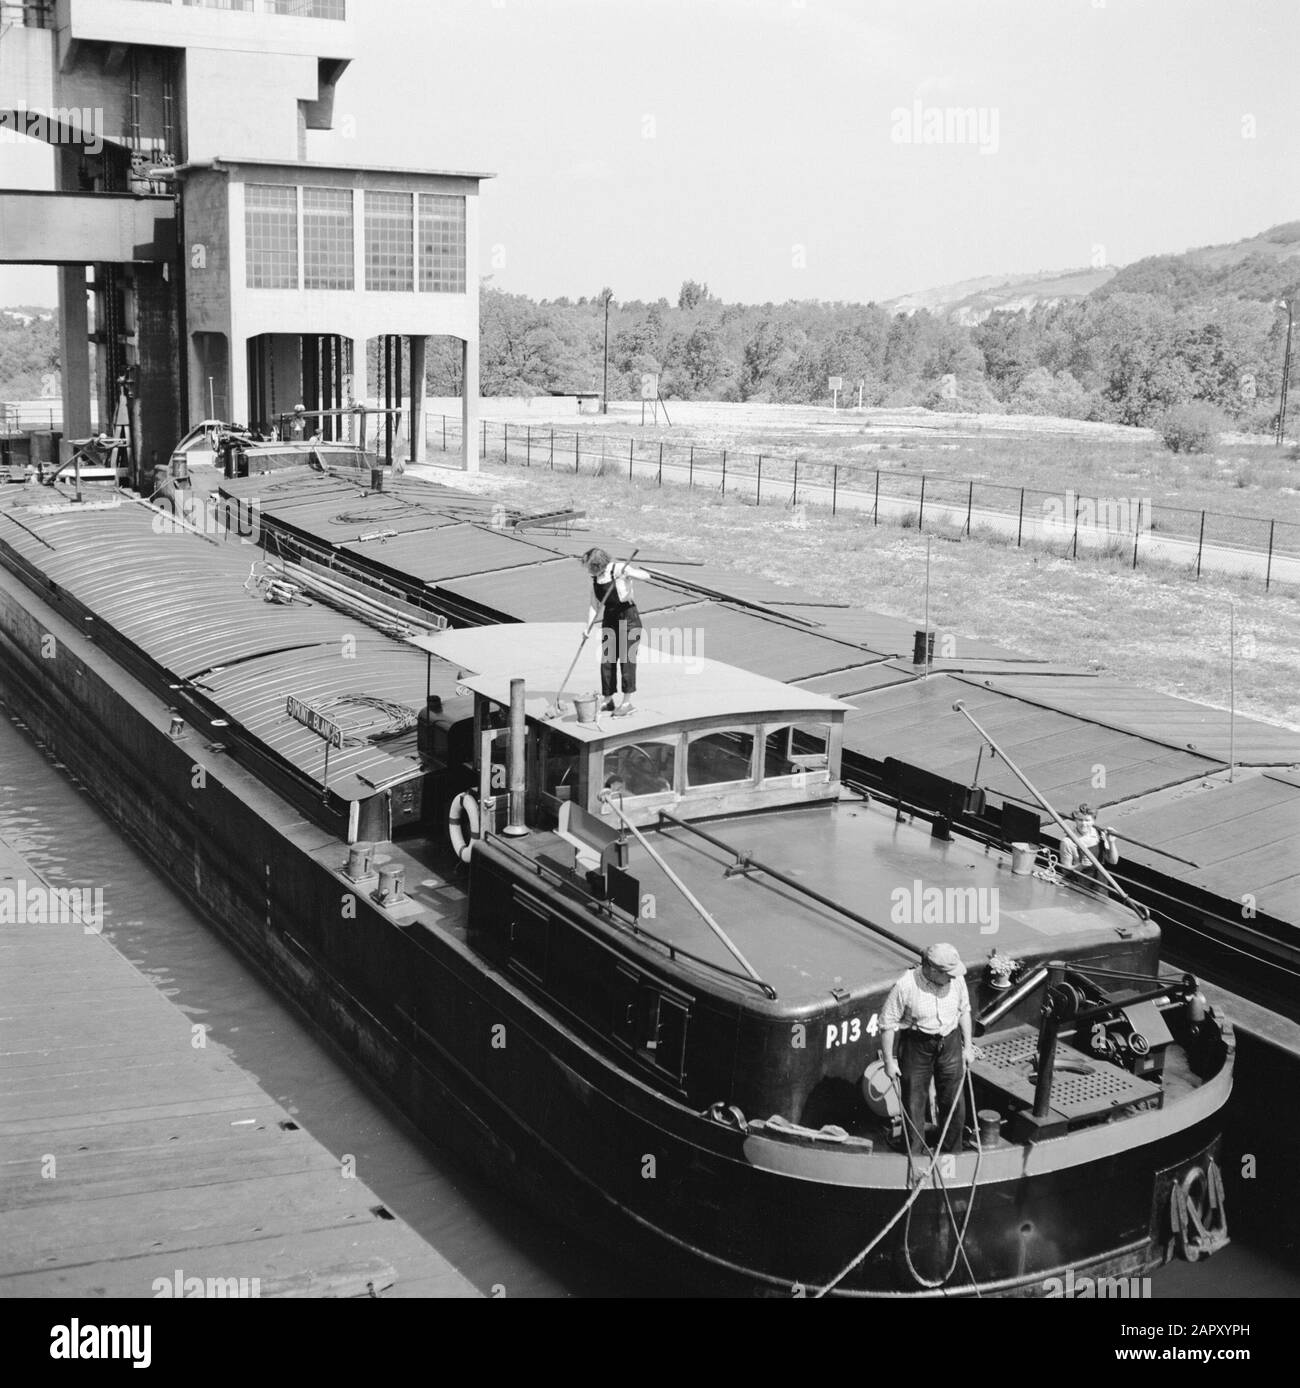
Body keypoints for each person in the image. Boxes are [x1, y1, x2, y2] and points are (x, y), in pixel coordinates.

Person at [879, 942, 976, 1154]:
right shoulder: (905, 986)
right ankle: (913, 1153)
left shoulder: (957, 980)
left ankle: (952, 1151)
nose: (953, 978)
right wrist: (889, 1061)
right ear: (932, 969)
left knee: (954, 1101)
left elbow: (964, 1011)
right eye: (948, 974)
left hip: (949, 1043)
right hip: (917, 1045)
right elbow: (887, 1024)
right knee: (914, 1100)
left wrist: (968, 1047)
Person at [581, 547, 651, 717]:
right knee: (607, 660)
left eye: (589, 566)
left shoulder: (618, 568)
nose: (587, 569)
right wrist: (587, 627)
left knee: (626, 660)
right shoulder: (596, 580)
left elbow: (646, 576)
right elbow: (594, 605)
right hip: (609, 618)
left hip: (628, 617)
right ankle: (608, 699)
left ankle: (627, 703)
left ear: (598, 564)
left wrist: (628, 573)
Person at [1059, 803, 1119, 883]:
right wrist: (1081, 866)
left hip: (1100, 883)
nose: (1084, 824)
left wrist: (1111, 842)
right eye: (1080, 820)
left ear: (1093, 821)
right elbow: (1065, 871)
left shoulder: (1100, 835)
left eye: (1087, 820)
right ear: (1075, 820)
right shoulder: (1067, 842)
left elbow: (1113, 861)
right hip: (1078, 885)